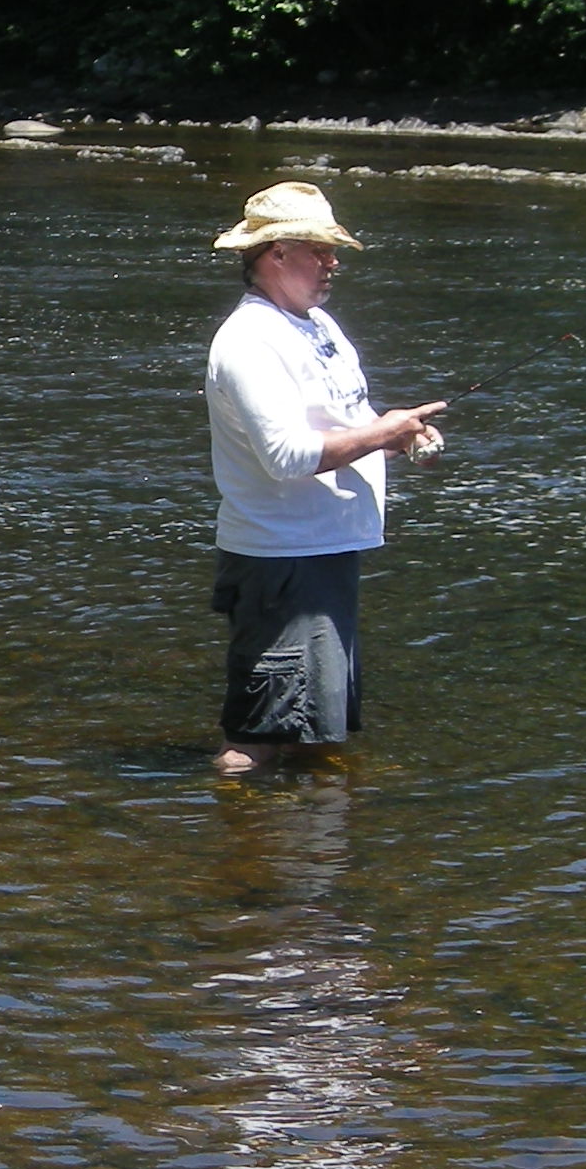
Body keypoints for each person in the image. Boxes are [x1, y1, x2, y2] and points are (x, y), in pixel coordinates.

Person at [204, 182, 444, 777]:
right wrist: (384, 433)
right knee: (257, 737)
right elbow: (286, 456)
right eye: (319, 250)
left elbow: (349, 420)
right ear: (275, 254)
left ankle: (294, 850)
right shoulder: (249, 342)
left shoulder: (319, 326)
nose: (333, 262)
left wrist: (401, 436)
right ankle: (234, 843)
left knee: (310, 731)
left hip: (323, 549)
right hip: (282, 559)